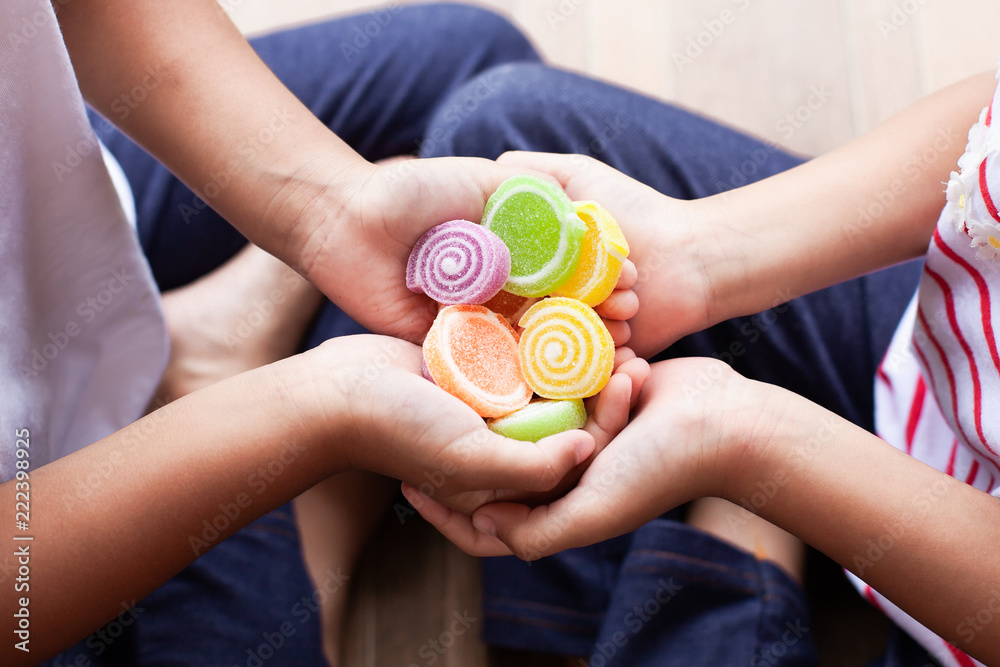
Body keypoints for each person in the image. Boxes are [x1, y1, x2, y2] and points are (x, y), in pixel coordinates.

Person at [0, 2, 647, 664]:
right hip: (32, 562)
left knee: (479, 71)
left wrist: (331, 210)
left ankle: (193, 359)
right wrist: (319, 409)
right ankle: (235, 436)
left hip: (51, 223)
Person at [407, 61, 1000, 666]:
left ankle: (714, 569)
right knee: (501, 130)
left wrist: (744, 440)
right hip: (931, 353)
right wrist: (702, 256)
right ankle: (698, 573)